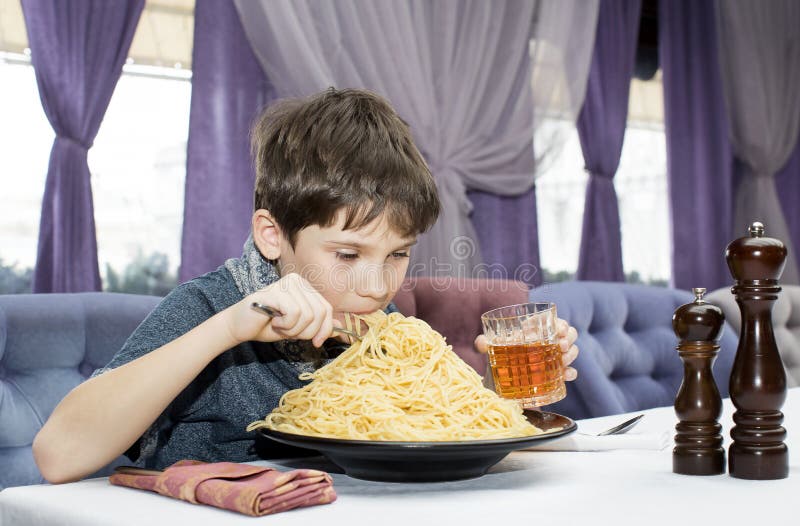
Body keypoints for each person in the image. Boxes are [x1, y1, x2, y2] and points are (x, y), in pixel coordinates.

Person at [33, 88, 579, 484]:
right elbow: (57, 455)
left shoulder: (387, 333)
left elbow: (426, 443)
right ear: (273, 236)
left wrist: (496, 396)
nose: (375, 284)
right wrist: (226, 330)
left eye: (398, 255)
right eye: (347, 254)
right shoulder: (210, 307)